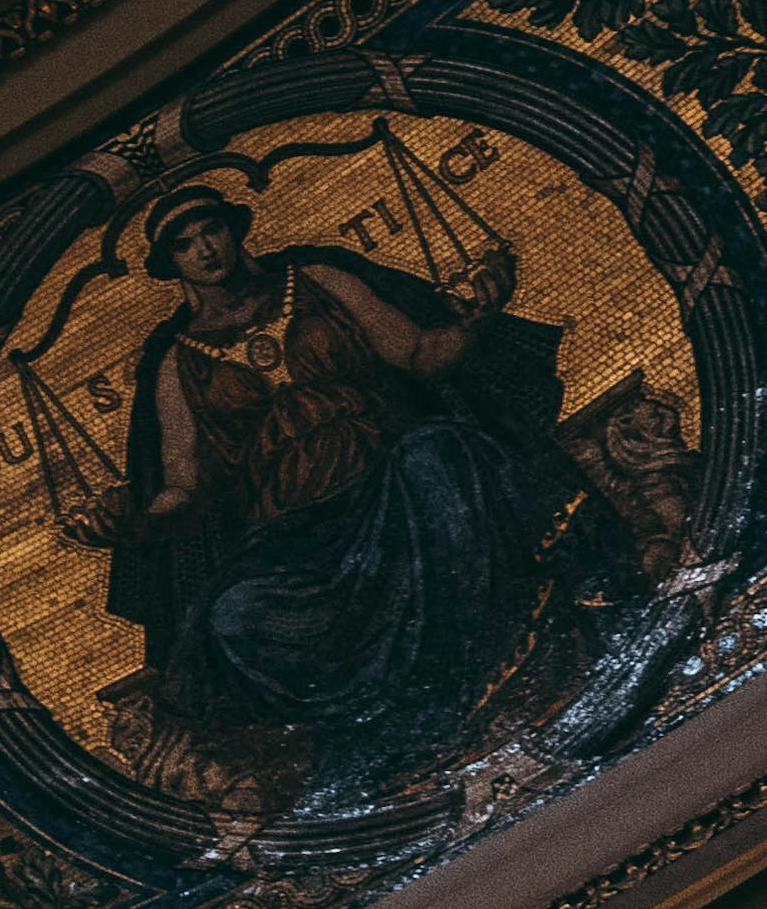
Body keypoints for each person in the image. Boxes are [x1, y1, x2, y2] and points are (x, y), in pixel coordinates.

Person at [75, 151, 616, 813]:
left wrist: (477, 314)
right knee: (233, 615)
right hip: (294, 535)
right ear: (173, 266)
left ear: (233, 229)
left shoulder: (317, 279)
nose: (205, 249)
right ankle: (385, 722)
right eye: (184, 244)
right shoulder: (176, 363)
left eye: (210, 228)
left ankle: (486, 661)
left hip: (385, 476)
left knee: (439, 455)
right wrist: (129, 521)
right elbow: (182, 483)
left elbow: (416, 351)